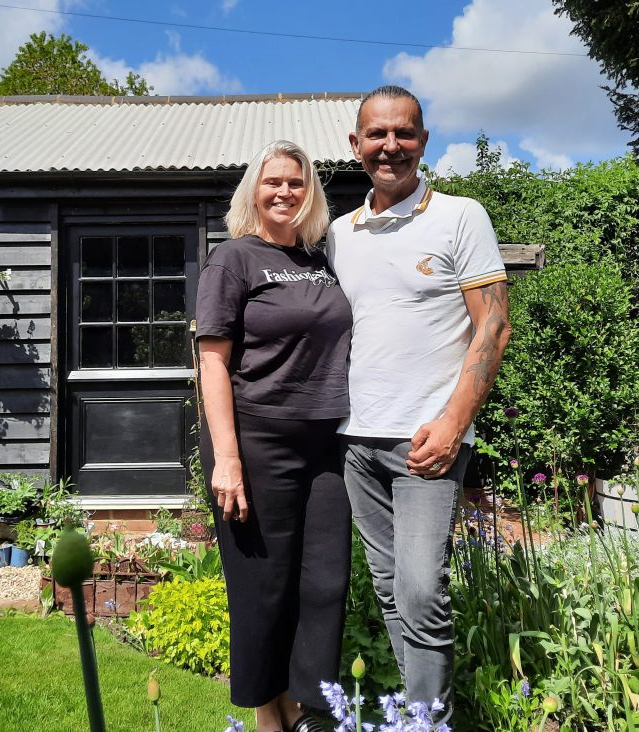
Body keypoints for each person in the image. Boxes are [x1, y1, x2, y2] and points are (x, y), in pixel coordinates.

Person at [327, 86, 512, 723]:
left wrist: (456, 423)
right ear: (356, 145)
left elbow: (493, 326)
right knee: (388, 590)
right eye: (377, 134)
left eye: (404, 133)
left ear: (423, 141)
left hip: (426, 443)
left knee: (420, 590)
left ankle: (430, 722)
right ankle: (416, 714)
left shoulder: (461, 216)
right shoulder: (339, 234)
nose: (391, 146)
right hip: (356, 441)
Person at [195, 140, 353, 732]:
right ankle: (270, 713)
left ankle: (311, 707)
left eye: (296, 182)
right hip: (256, 439)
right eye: (273, 182)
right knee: (263, 583)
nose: (285, 191)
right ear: (254, 191)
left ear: (311, 192)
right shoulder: (233, 259)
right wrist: (227, 459)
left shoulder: (321, 261)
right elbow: (212, 361)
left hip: (327, 441)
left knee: (325, 580)